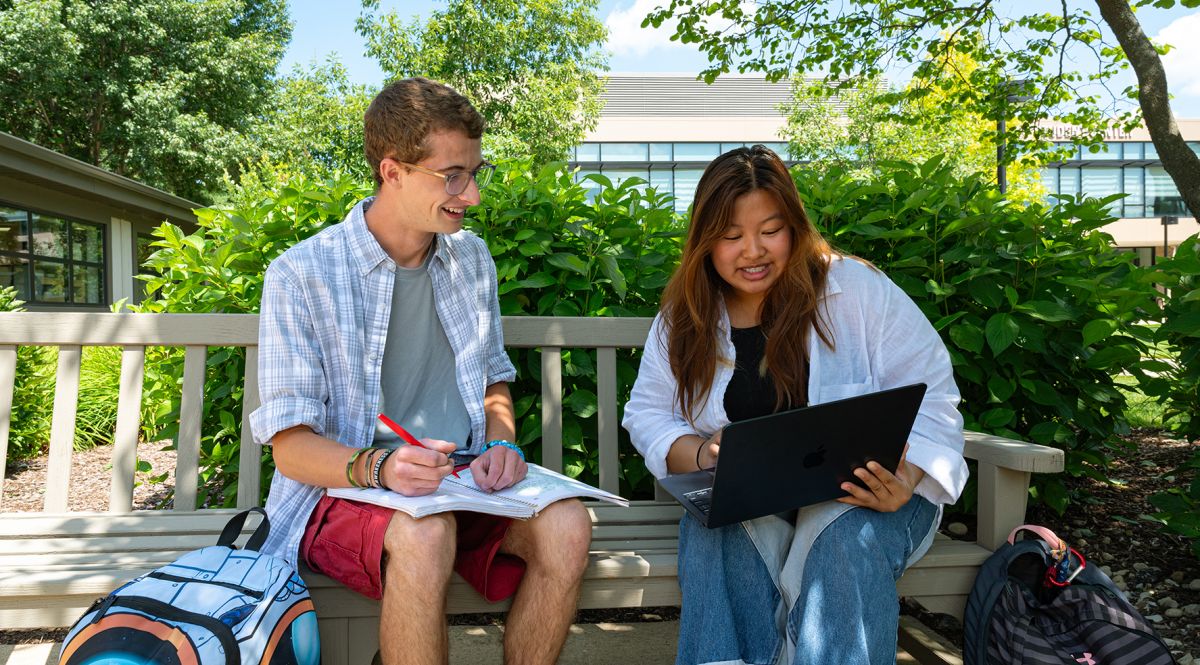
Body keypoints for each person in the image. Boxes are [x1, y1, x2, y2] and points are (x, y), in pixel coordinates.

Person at [250, 77, 592, 665]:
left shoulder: (471, 259)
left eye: (476, 172)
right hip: (347, 490)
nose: (473, 194)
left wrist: (503, 442)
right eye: (453, 175)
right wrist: (380, 466)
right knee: (425, 534)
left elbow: (492, 382)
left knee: (568, 527)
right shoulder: (302, 274)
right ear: (392, 171)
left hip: (459, 484)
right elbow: (291, 450)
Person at [622, 145, 968, 665]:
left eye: (771, 230)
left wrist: (909, 476)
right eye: (731, 236)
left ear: (796, 226)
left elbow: (934, 394)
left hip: (872, 493)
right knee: (712, 526)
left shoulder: (856, 289)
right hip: (754, 499)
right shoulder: (687, 315)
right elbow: (647, 412)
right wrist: (701, 455)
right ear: (705, 242)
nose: (753, 251)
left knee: (845, 543)